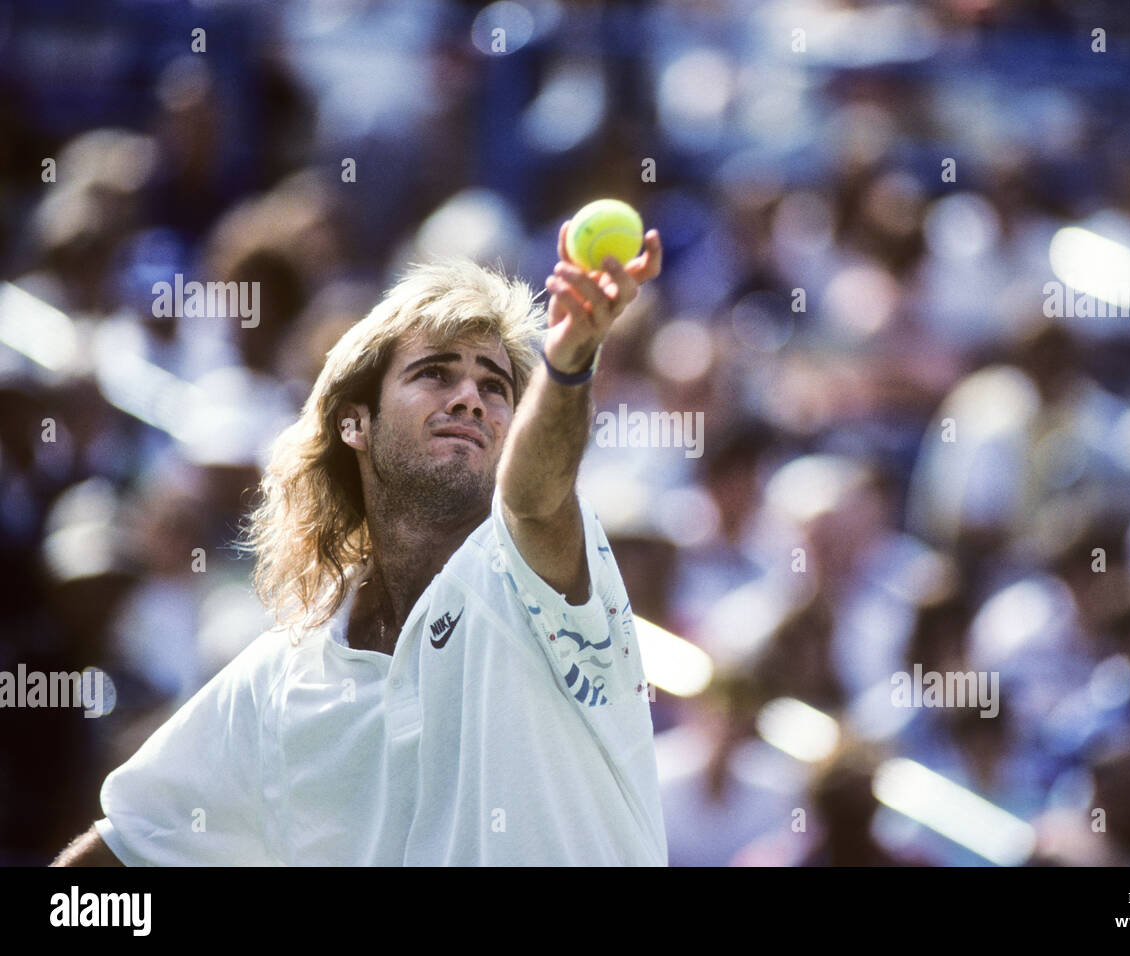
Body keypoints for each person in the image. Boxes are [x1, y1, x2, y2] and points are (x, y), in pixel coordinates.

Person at [51, 221, 669, 865]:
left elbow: (536, 499)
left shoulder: (538, 573)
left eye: (495, 386)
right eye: (435, 373)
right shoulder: (279, 683)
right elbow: (119, 857)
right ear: (356, 423)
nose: (471, 400)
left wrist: (567, 363)